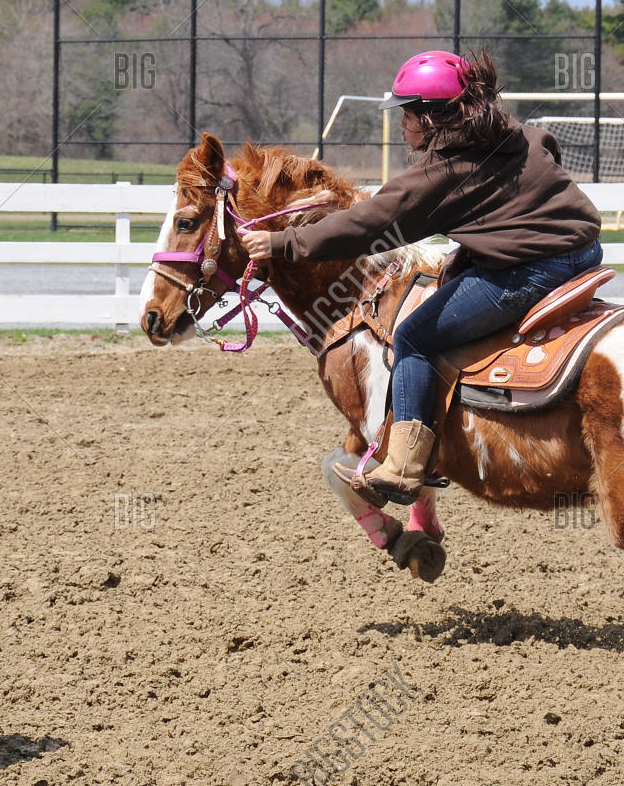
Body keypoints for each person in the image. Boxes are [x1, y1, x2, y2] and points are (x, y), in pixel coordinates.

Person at [242, 49, 603, 506]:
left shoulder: (440, 174)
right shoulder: (523, 137)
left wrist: (283, 244)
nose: (402, 124)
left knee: (414, 336)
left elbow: (368, 223)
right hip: (583, 254)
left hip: (529, 272)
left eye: (408, 114)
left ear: (433, 119)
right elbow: (549, 149)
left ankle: (405, 466)